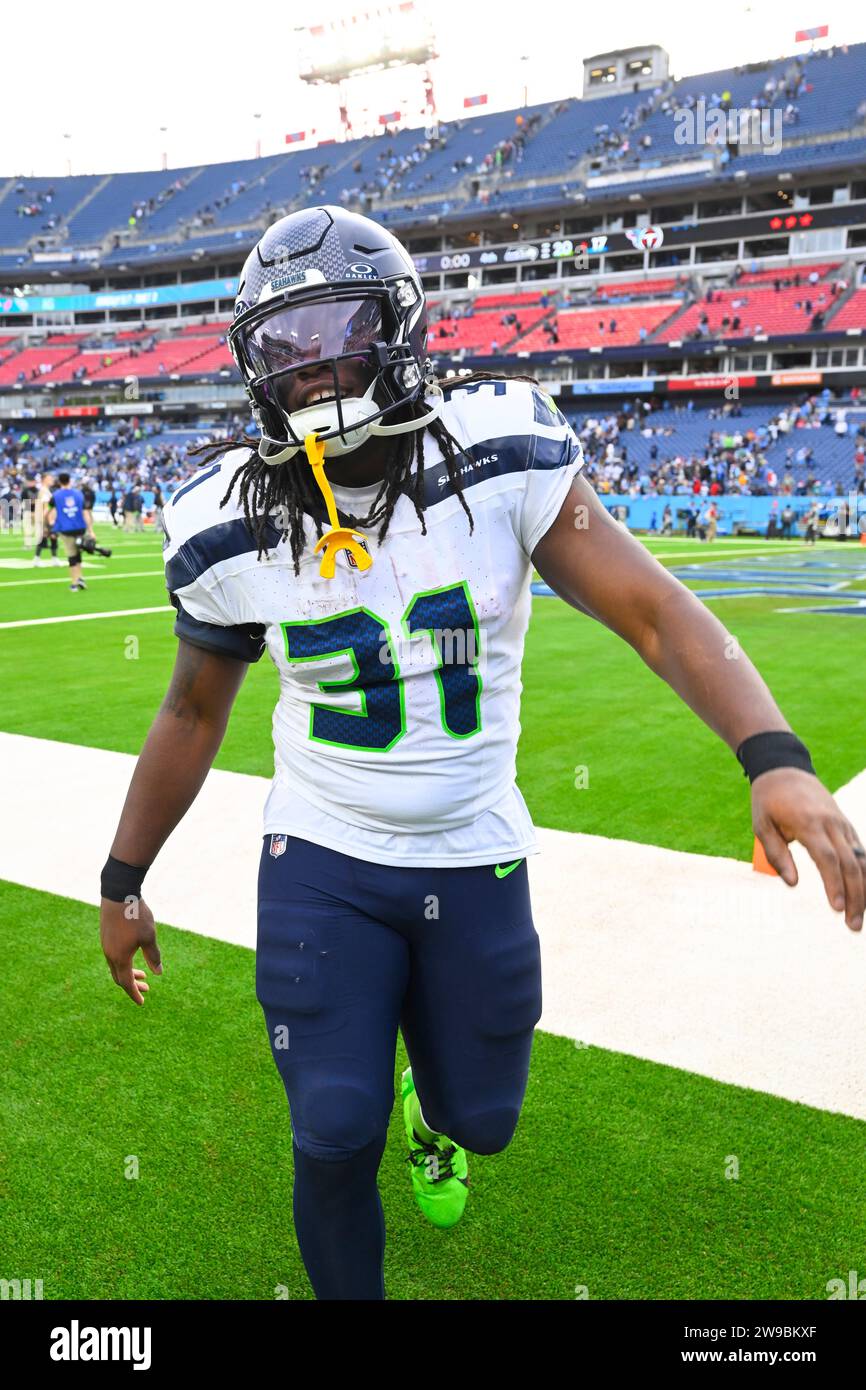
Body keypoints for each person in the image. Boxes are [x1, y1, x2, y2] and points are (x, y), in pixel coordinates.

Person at [99, 205, 866, 1304]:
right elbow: (188, 712)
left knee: (483, 1117)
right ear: (252, 363)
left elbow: (650, 610)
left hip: (473, 845)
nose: (315, 370)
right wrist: (122, 879)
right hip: (322, 847)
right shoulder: (226, 519)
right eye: (286, 345)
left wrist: (772, 753)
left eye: (339, 334)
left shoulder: (499, 452)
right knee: (329, 1127)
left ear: (399, 329)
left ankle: (435, 1115)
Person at [46, 470, 92, 592]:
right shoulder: (79, 494)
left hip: (66, 529)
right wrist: (91, 530)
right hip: (80, 527)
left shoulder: (55, 495)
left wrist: (50, 526)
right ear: (69, 481)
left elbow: (49, 512)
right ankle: (80, 577)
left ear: (59, 482)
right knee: (78, 553)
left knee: (71, 556)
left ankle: (74, 582)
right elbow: (85, 512)